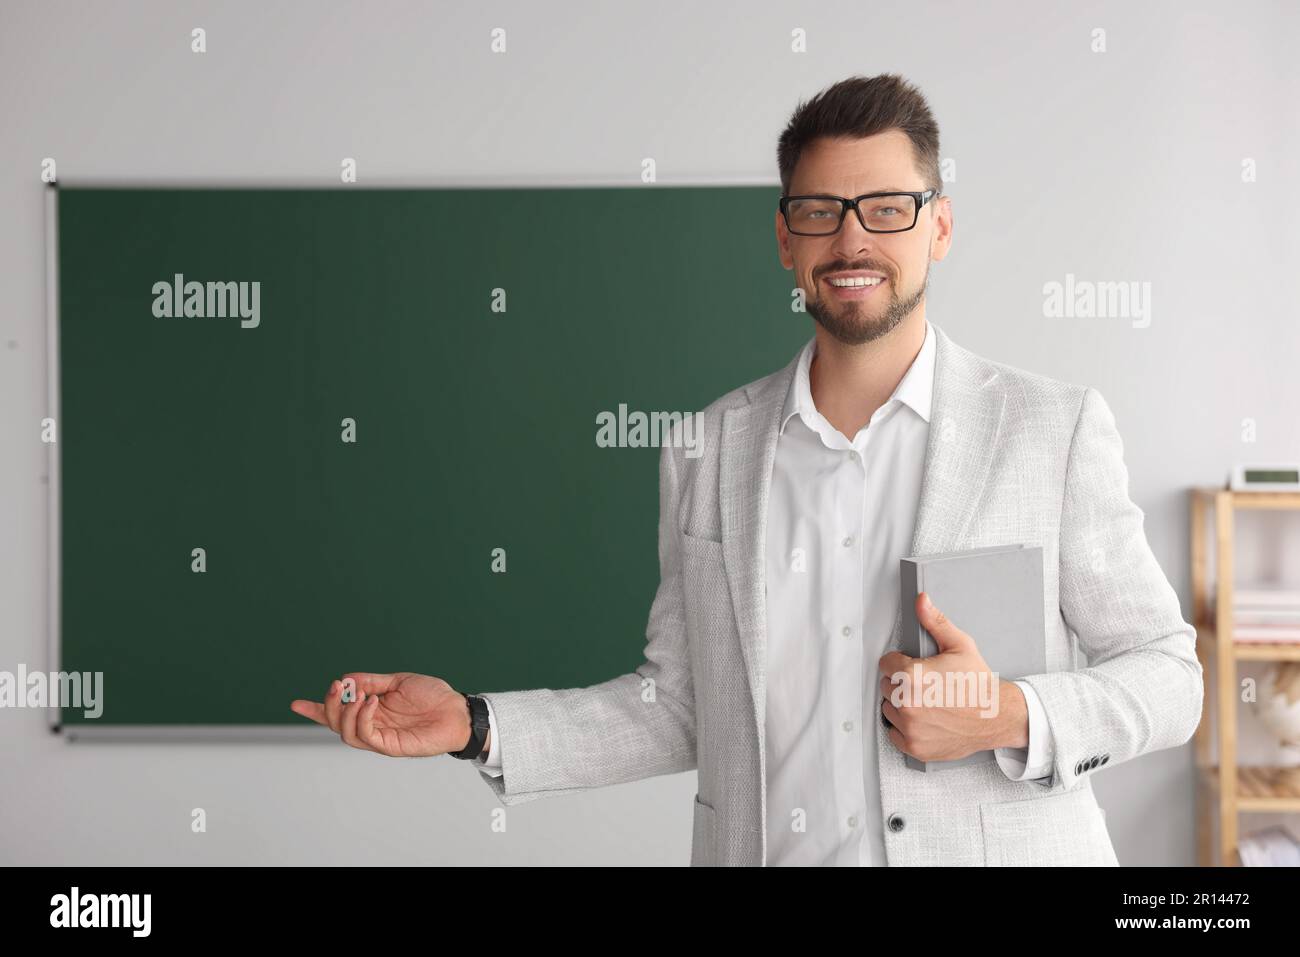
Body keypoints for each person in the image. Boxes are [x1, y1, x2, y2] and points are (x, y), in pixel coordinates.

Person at [291, 73, 1202, 866]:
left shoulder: (1052, 428)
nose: (852, 242)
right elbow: (684, 704)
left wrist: (1007, 715)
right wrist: (477, 725)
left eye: (887, 208)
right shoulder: (707, 447)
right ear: (785, 239)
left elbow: (1169, 676)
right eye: (820, 212)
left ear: (941, 227)